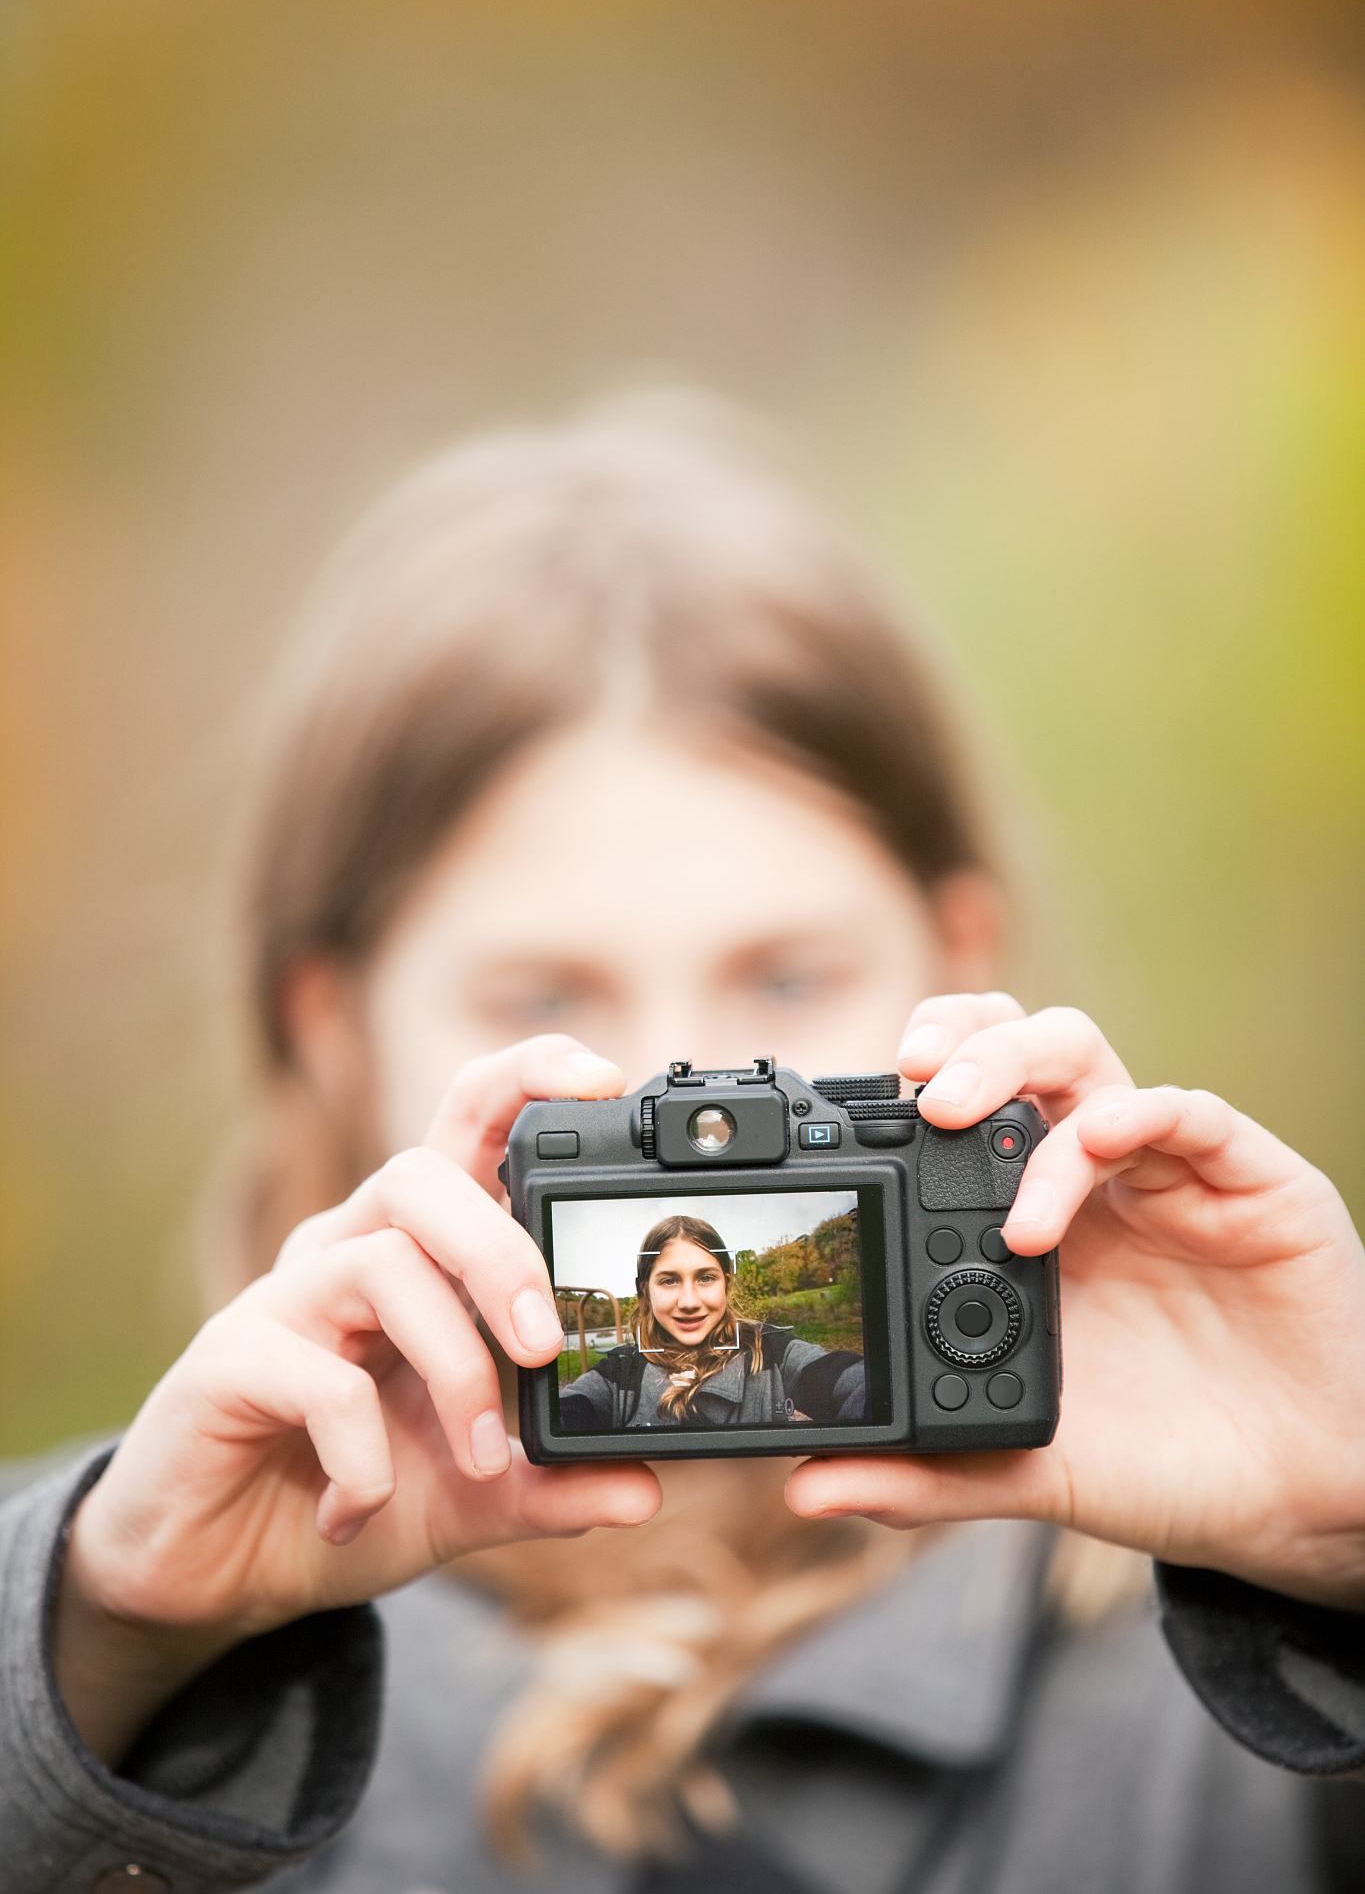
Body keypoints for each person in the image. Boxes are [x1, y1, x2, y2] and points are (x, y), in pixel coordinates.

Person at [2, 407, 1363, 1894]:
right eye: (542, 998)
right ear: (334, 1035)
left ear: (959, 963)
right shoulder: (138, 1642)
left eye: (786, 980)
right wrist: (96, 1656)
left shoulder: (1246, 1691)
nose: (682, 1094)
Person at [557, 1213, 868, 1430]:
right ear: (645, 1290)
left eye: (705, 1278)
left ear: (726, 1284)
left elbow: (850, 1381)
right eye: (669, 1281)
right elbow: (566, 1411)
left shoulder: (771, 1351)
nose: (689, 1302)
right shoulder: (620, 1372)